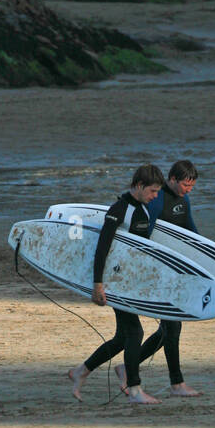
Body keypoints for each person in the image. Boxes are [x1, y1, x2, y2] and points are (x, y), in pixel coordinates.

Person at [67, 164, 165, 406]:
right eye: (152, 191)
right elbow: (102, 247)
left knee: (123, 337)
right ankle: (134, 389)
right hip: (114, 282)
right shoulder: (119, 209)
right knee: (135, 332)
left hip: (129, 282)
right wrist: (97, 284)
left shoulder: (142, 209)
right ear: (139, 186)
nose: (155, 197)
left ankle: (81, 371)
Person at [134, 160, 202, 399]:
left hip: (174, 273)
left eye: (191, 186)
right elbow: (144, 235)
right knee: (172, 326)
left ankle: (129, 367)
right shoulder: (158, 199)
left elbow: (192, 233)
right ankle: (177, 384)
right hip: (157, 272)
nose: (188, 189)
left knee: (169, 328)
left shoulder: (184, 200)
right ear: (172, 179)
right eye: (185, 184)